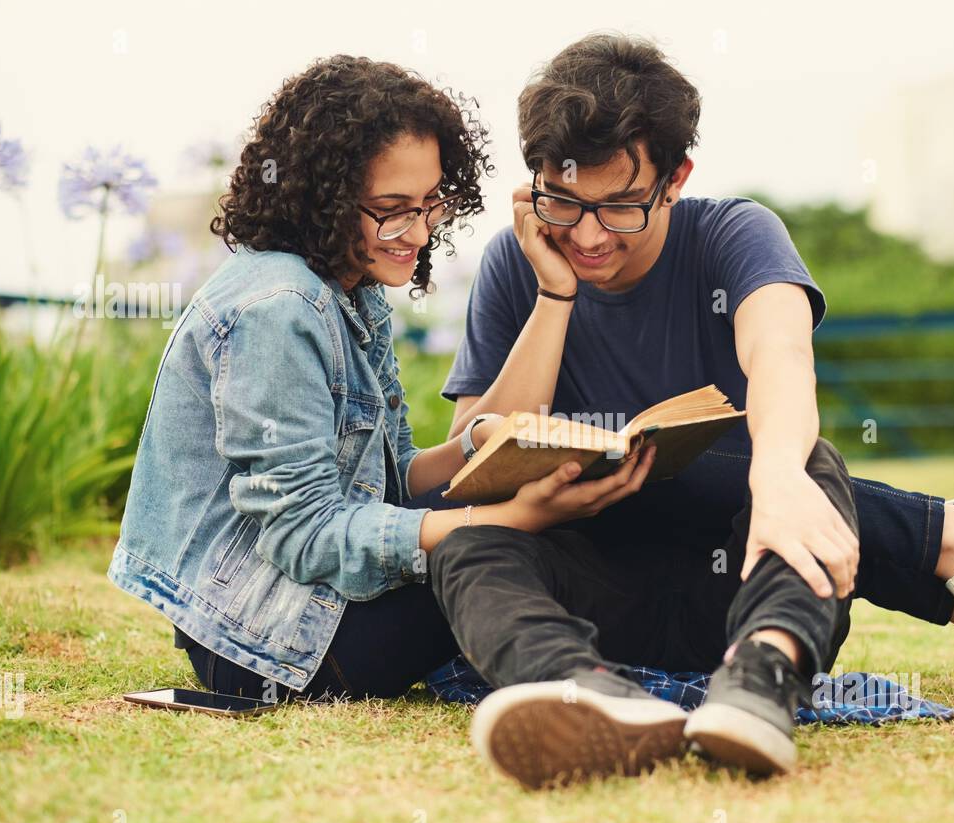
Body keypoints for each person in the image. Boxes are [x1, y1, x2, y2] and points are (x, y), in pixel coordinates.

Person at [429, 34, 954, 787]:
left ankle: (758, 685)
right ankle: (582, 692)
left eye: (620, 207)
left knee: (807, 464)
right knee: (466, 543)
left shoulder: (732, 234)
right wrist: (553, 295)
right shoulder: (510, 263)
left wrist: (778, 472)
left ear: (675, 178)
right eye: (564, 202)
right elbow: (471, 458)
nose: (588, 236)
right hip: (592, 589)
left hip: (745, 582)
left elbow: (780, 356)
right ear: (536, 180)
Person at [108, 54, 660, 703]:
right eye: (393, 209)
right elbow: (306, 535)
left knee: (545, 541)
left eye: (432, 205)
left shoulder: (350, 291)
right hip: (270, 638)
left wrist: (512, 440)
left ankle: (609, 676)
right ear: (323, 197)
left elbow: (400, 479)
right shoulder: (279, 311)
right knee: (508, 555)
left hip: (319, 605)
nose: (420, 232)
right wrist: (507, 518)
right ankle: (597, 691)